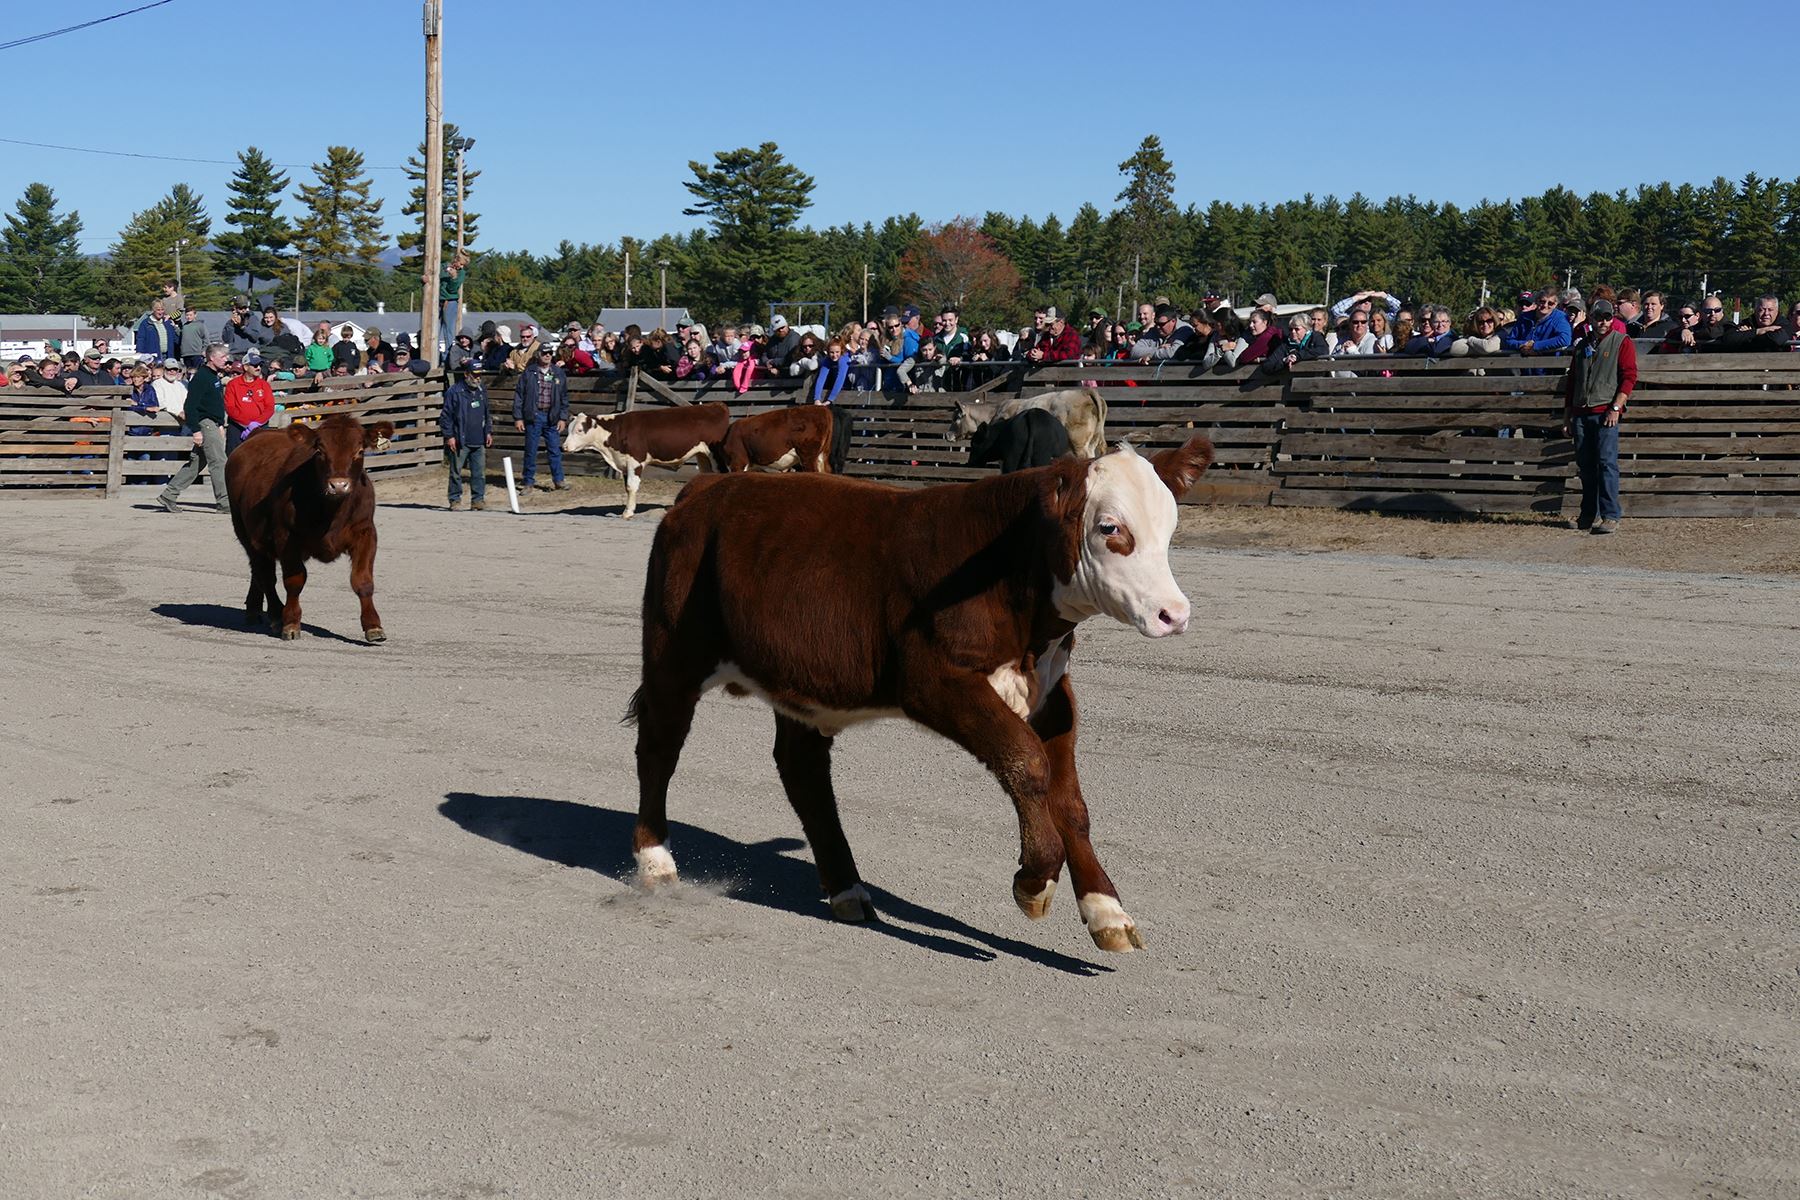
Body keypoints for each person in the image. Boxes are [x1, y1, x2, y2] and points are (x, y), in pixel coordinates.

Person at [1562, 299, 1636, 534]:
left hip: (1605, 411)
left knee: (1606, 464)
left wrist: (1616, 407)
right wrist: (1567, 415)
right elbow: (1573, 382)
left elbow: (1629, 377)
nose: (1603, 322)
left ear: (1612, 318)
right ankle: (1587, 515)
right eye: (1598, 317)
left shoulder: (1622, 342)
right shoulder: (1582, 345)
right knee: (1585, 466)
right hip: (1581, 411)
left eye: (1607, 317)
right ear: (1591, 319)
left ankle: (1610, 515)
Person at [157, 343, 231, 514]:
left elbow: (214, 404)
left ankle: (169, 494)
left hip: (212, 423)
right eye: (222, 357)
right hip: (206, 424)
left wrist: (220, 423)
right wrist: (196, 431)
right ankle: (224, 502)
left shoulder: (212, 376)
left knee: (196, 463)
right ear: (212, 358)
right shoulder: (201, 377)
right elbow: (190, 406)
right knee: (219, 462)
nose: (226, 360)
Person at [511, 344, 568, 490]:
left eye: (550, 353)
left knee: (554, 450)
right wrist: (518, 418)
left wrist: (563, 417)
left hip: (552, 417)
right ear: (538, 354)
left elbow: (564, 397)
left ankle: (559, 480)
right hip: (534, 416)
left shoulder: (558, 373)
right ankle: (528, 482)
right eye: (544, 353)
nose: (547, 355)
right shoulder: (529, 372)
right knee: (531, 451)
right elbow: (519, 396)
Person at [440, 361, 493, 510]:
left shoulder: (481, 390)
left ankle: (478, 500)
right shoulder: (454, 391)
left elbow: (487, 413)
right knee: (456, 472)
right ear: (466, 374)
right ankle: (455, 500)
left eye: (480, 375)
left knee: (479, 473)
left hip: (479, 439)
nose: (478, 378)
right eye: (475, 375)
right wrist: (449, 436)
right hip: (460, 439)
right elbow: (445, 416)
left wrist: (488, 431)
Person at [222, 355, 275, 452]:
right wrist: (247, 424)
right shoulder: (233, 385)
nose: (258, 368)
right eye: (255, 365)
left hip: (260, 427)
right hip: (237, 427)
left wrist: (256, 424)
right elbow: (230, 408)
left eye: (260, 365)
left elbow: (269, 407)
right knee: (235, 455)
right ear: (246, 367)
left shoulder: (264, 385)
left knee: (260, 456)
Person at [1500, 289, 1573, 356]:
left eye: (1550, 303)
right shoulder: (1524, 317)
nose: (1545, 305)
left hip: (1550, 363)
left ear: (1555, 304)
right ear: (1537, 301)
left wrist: (1536, 346)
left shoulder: (1560, 318)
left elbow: (1564, 339)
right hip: (1524, 362)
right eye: (1542, 301)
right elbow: (1509, 340)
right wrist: (1523, 345)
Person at [152, 358, 188, 423]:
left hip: (183, 421)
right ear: (164, 369)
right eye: (169, 369)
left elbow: (187, 400)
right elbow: (161, 403)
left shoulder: (181, 385)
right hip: (165, 421)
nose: (172, 371)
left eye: (175, 369)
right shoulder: (157, 384)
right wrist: (178, 412)